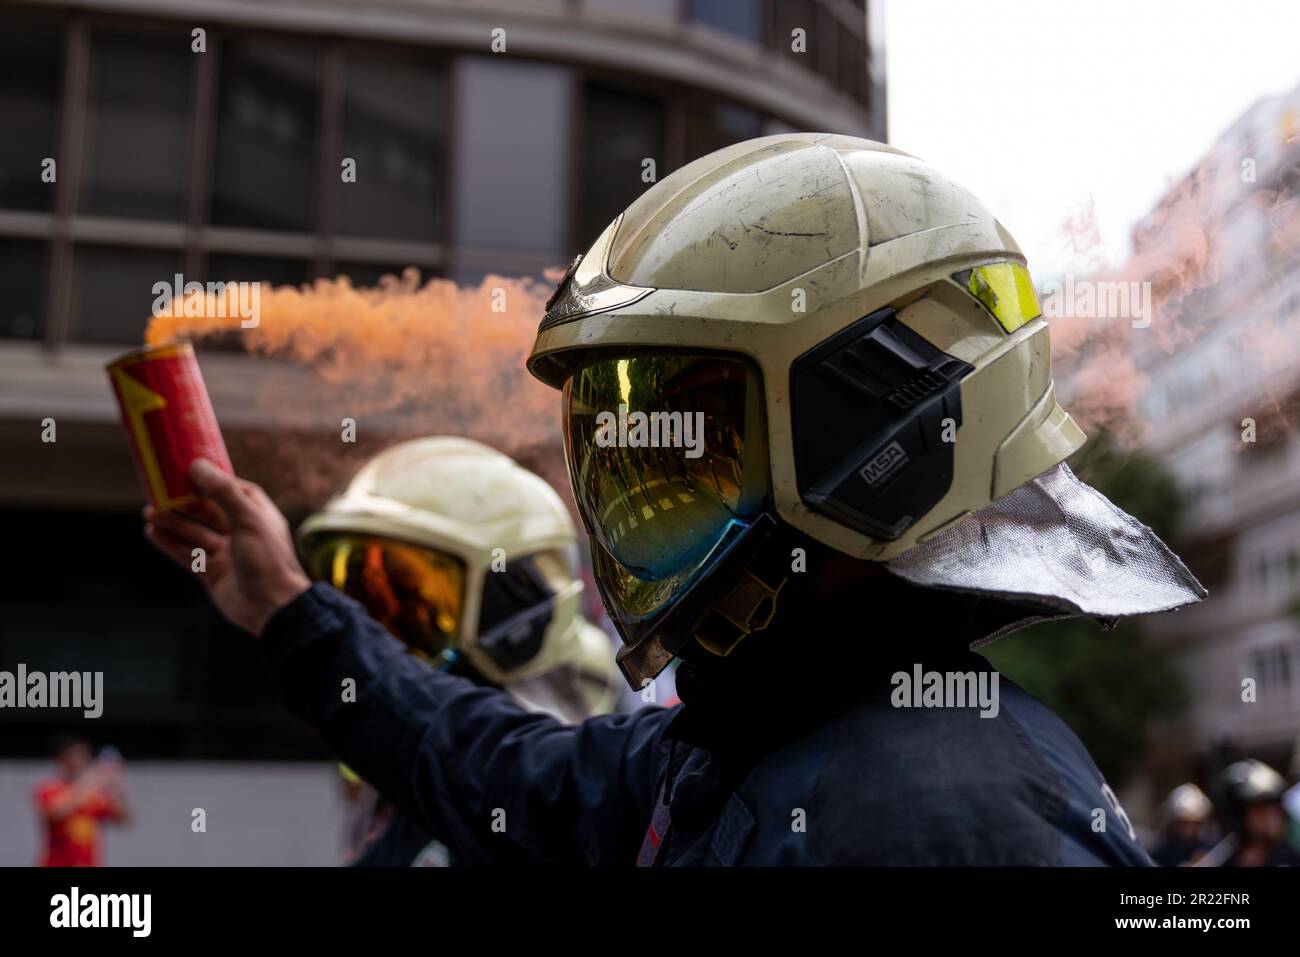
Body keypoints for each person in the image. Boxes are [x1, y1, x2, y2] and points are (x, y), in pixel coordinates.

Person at [145, 133, 1206, 865]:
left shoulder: (939, 813)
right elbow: (494, 769)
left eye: (691, 448)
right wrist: (289, 609)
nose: (643, 495)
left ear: (875, 434)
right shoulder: (747, 738)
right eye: (627, 457)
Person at [297, 436, 622, 865]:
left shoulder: (543, 777)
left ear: (510, 600)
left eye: (410, 597)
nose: (375, 630)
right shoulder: (418, 741)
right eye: (358, 590)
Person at [33, 736, 129, 867]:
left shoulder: (94, 792)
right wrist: (88, 783)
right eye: (74, 755)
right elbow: (55, 813)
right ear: (62, 758)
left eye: (84, 756)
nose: (80, 761)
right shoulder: (50, 788)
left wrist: (116, 789)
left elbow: (122, 820)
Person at [1217, 759, 1300, 867]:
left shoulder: (1291, 858)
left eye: (1274, 809)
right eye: (1260, 811)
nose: (1271, 817)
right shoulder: (1224, 860)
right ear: (1239, 816)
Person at [1151, 783, 1215, 866]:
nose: (1189, 828)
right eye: (1183, 823)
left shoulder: (1209, 848)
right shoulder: (1161, 853)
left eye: (1194, 823)